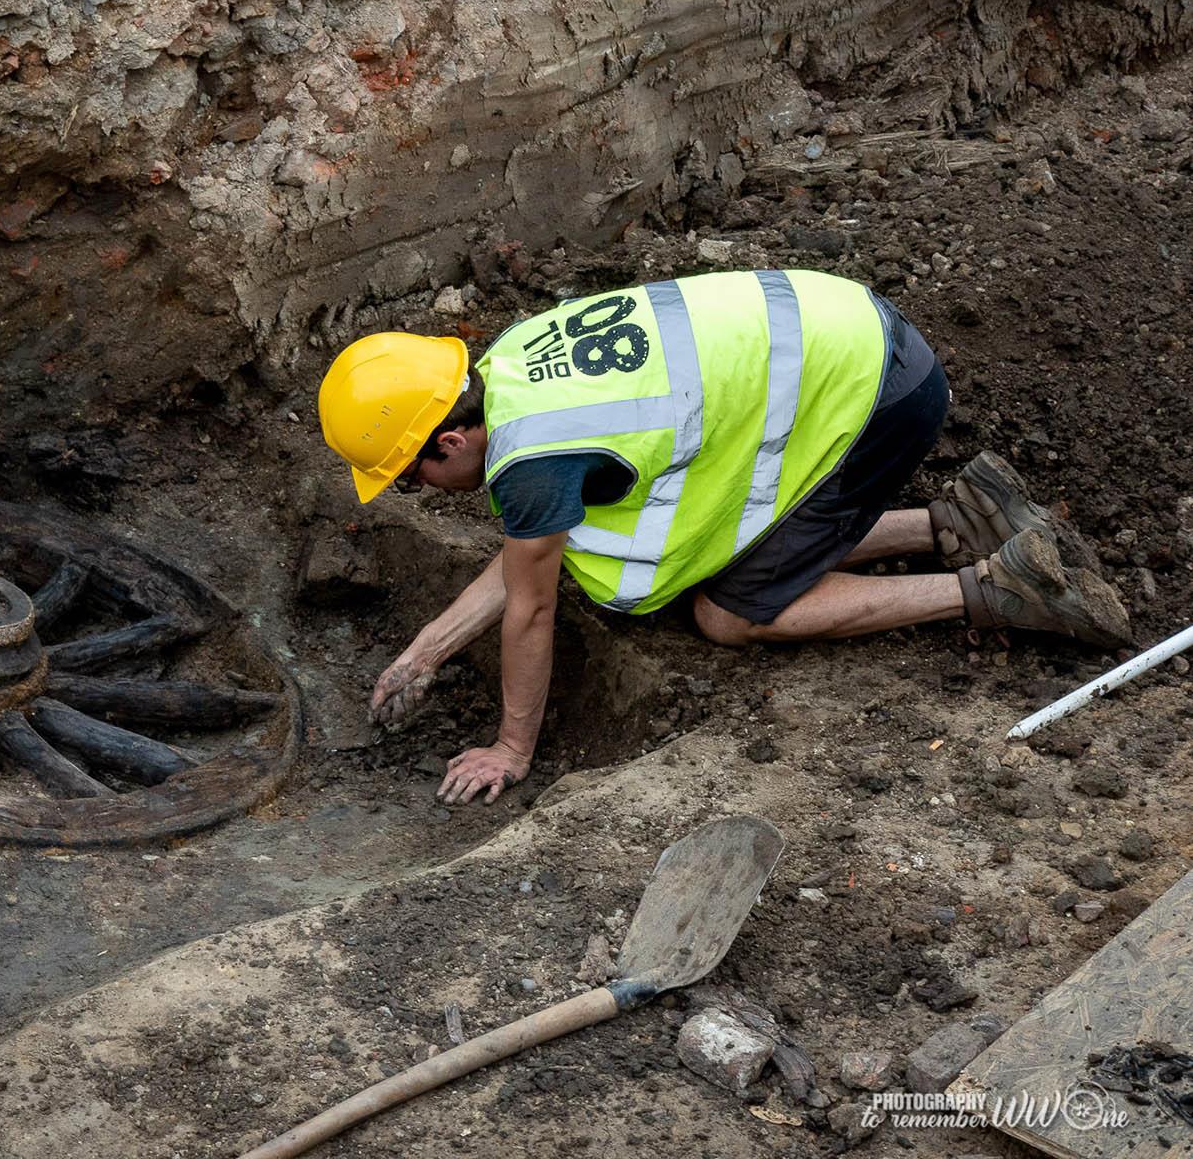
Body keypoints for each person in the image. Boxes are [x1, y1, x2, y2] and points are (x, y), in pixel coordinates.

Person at [317, 269, 1131, 806]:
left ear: (449, 442)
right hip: (853, 333)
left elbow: (531, 607)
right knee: (727, 542)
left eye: (406, 474)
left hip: (873, 398)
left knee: (729, 613)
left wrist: (511, 747)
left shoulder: (530, 463)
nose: (414, 491)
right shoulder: (513, 363)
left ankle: (1000, 585)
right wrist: (423, 653)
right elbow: (529, 551)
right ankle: (953, 523)